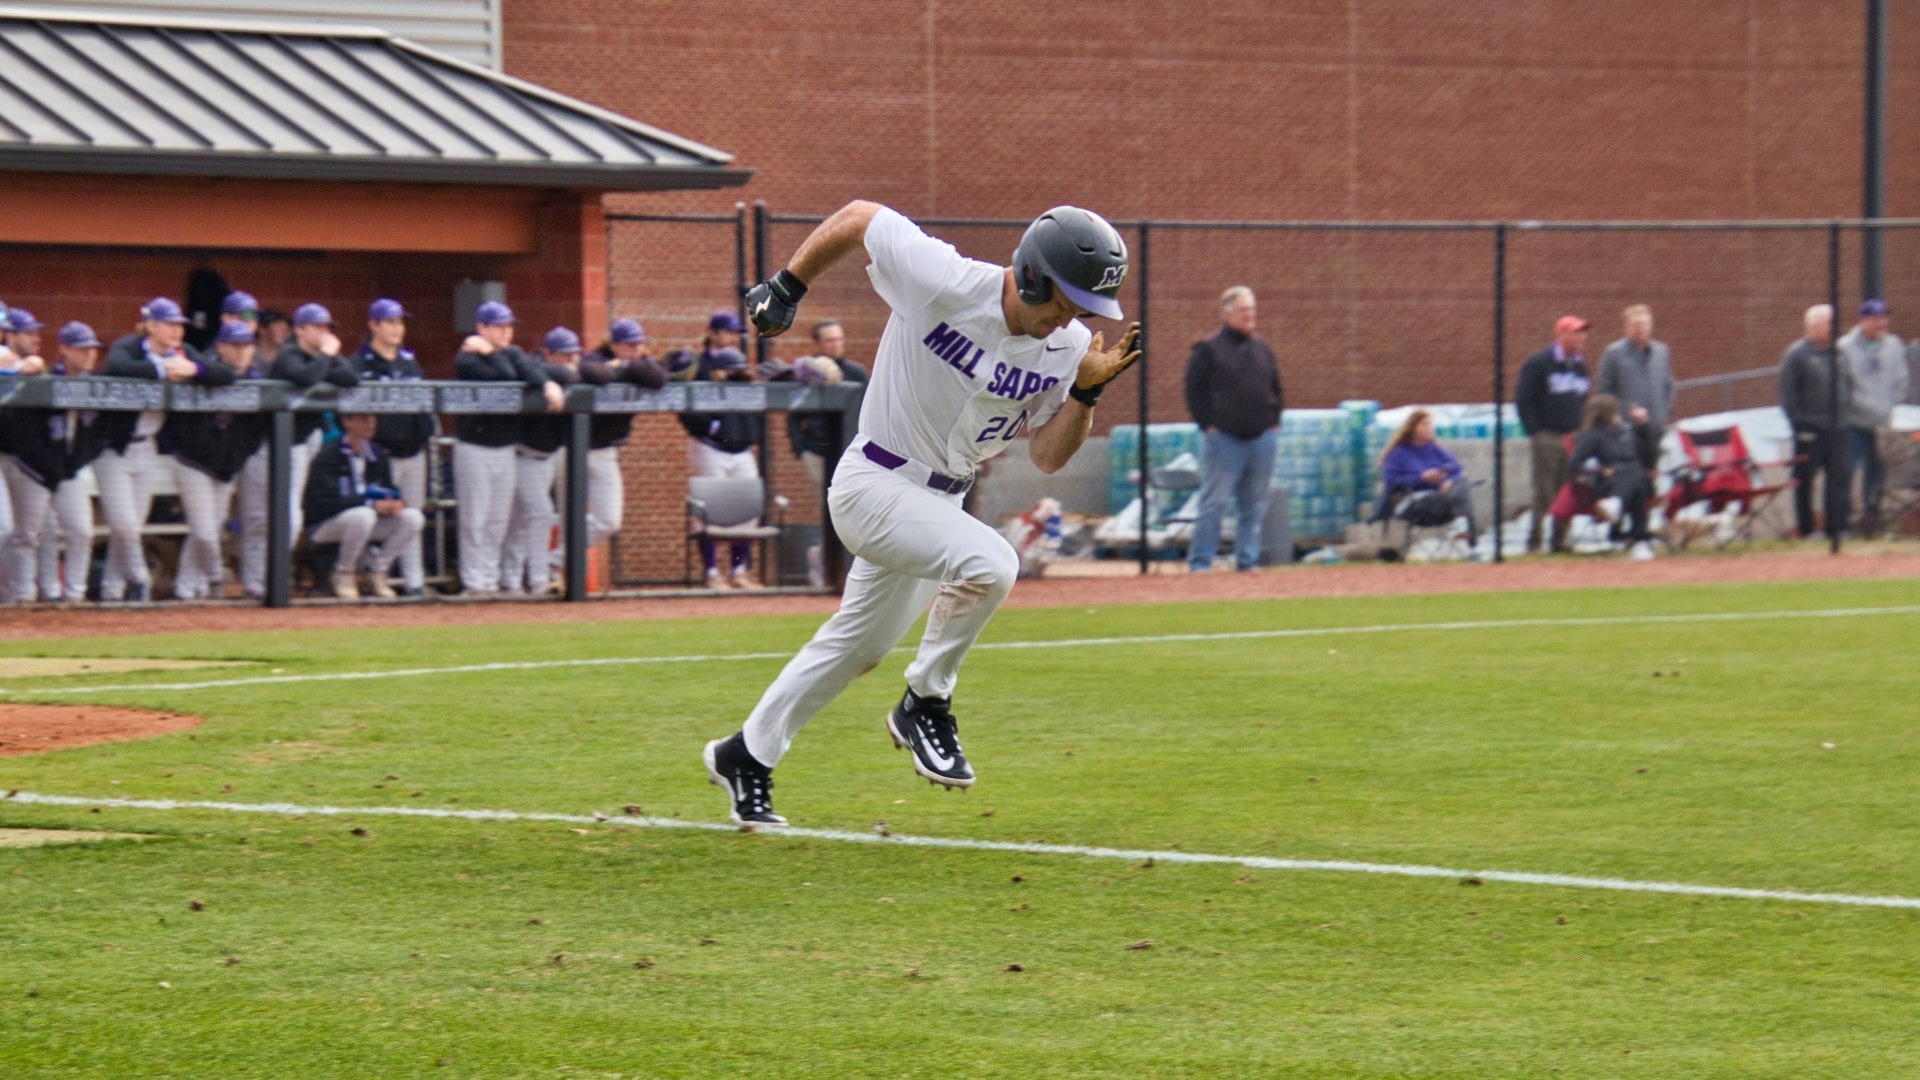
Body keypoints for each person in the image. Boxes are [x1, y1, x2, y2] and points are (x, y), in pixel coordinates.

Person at [702, 199, 1139, 827]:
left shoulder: (1066, 348)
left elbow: (1046, 456)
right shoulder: (946, 278)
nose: (1069, 320)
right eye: (1064, 302)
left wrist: (1085, 393)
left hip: (938, 502)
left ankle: (746, 755)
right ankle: (926, 703)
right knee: (993, 562)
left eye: (1083, 310)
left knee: (858, 646)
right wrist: (788, 284)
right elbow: (859, 217)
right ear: (1034, 276)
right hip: (873, 482)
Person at [102, 298, 234, 601]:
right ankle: (139, 583)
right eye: (170, 324)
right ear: (151, 325)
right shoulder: (130, 346)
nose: (177, 331)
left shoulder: (182, 352)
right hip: (114, 448)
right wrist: (162, 369)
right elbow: (118, 367)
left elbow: (224, 374)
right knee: (124, 527)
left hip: (146, 446)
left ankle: (112, 590)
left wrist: (194, 368)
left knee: (131, 526)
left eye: (179, 325)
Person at [452, 301, 565, 595]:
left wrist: (548, 385)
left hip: (505, 448)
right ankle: (475, 583)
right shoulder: (467, 357)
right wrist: (490, 353)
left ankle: (490, 580)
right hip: (474, 447)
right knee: (475, 520)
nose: (506, 331)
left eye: (508, 325)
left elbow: (529, 370)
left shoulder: (512, 353)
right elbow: (506, 378)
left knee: (498, 521)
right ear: (481, 328)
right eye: (499, 326)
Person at [0, 320, 107, 602]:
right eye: (82, 349)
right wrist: (48, 467)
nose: (89, 355)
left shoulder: (96, 386)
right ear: (64, 350)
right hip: (34, 469)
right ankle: (21, 594)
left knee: (81, 531)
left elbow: (102, 433)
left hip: (69, 469)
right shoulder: (42, 381)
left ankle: (74, 595)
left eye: (92, 349)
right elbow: (23, 433)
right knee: (26, 535)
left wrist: (74, 462)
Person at [1183, 286, 1282, 572]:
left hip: (1262, 436)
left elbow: (1275, 387)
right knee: (1214, 502)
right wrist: (1208, 426)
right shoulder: (1208, 349)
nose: (1250, 315)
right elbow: (1194, 390)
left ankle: (1247, 561)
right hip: (1224, 438)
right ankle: (1201, 563)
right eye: (1243, 310)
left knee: (1254, 504)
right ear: (1227, 313)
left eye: (1252, 310)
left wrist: (1275, 424)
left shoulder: (1263, 349)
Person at [164, 322, 263, 600]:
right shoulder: (199, 369)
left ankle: (187, 587)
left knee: (206, 531)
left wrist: (235, 458)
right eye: (236, 345)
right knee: (205, 532)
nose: (242, 351)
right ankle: (216, 578)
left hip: (226, 468)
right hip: (192, 462)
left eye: (247, 345)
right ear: (220, 346)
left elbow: (258, 431)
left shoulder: (258, 379)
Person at [350, 299, 434, 597]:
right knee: (373, 515)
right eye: (390, 322)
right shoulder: (359, 363)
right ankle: (365, 574)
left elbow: (424, 404)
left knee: (413, 517)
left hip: (412, 452)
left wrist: (425, 434)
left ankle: (414, 582)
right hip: (379, 453)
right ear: (373, 324)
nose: (397, 328)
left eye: (400, 322)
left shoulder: (408, 362)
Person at [304, 413, 425, 600]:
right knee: (364, 515)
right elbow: (320, 504)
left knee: (413, 517)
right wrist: (369, 504)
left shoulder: (377, 454)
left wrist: (394, 503)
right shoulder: (329, 455)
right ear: (347, 421)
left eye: (373, 418)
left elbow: (389, 489)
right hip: (326, 525)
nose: (371, 423)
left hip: (363, 522)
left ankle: (377, 570)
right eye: (363, 418)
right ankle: (344, 572)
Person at [500, 327, 582, 595]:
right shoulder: (533, 366)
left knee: (520, 522)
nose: (570, 361)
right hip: (523, 455)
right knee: (538, 514)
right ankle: (537, 581)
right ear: (547, 353)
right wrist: (562, 375)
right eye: (563, 355)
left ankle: (511, 582)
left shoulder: (561, 370)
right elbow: (549, 371)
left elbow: (578, 372)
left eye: (574, 355)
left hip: (549, 457)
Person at [679, 332, 765, 589]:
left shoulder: (748, 388)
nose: (737, 375)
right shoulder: (705, 383)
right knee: (708, 511)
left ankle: (738, 571)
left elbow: (758, 419)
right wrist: (712, 428)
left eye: (739, 370)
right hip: (710, 449)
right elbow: (687, 413)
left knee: (749, 509)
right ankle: (711, 572)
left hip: (741, 453)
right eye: (731, 371)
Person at [271, 304, 360, 541]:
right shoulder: (288, 353)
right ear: (299, 329)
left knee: (294, 508)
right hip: (278, 442)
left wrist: (323, 364)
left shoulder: (322, 356)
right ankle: (274, 575)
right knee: (285, 512)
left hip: (308, 437)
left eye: (327, 327)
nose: (325, 333)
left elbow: (351, 378)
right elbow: (306, 377)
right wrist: (326, 359)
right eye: (318, 327)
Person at [580, 318, 668, 550]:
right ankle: (552, 572)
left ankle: (556, 560)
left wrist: (626, 366)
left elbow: (659, 378)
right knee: (567, 517)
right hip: (574, 448)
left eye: (639, 344)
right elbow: (598, 374)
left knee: (609, 521)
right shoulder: (595, 358)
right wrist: (621, 368)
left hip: (605, 451)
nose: (636, 349)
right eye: (630, 345)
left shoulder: (638, 362)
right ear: (614, 345)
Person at [1515, 315, 1593, 552]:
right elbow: (1524, 399)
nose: (1582, 337)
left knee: (1568, 488)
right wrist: (1535, 431)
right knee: (1545, 490)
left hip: (1572, 436)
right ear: (1561, 335)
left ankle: (1560, 540)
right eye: (1576, 332)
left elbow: (1584, 402)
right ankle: (1535, 541)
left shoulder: (1580, 367)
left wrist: (1581, 431)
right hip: (1547, 435)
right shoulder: (1540, 363)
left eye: (1583, 332)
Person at [1838, 299, 1908, 536]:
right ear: (1862, 320)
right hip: (1854, 424)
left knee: (1876, 475)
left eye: (1884, 317)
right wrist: (1870, 409)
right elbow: (1844, 389)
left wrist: (1888, 408)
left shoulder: (1894, 345)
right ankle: (1844, 523)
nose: (1881, 323)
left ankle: (1871, 523)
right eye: (1875, 318)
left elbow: (1902, 382)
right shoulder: (1845, 347)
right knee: (1847, 471)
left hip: (1883, 425)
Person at [1779, 304, 1848, 540]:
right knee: (1805, 480)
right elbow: (1787, 394)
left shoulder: (1838, 353)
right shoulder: (1796, 355)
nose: (1833, 328)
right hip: (1808, 430)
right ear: (1813, 326)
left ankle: (1835, 528)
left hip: (1836, 428)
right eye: (1828, 323)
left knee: (1837, 479)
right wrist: (1799, 424)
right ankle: (1807, 529)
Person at [1568, 394, 1654, 560]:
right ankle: (1640, 542)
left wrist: (1643, 426)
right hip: (1606, 484)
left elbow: (1649, 457)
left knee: (1635, 472)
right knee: (1635, 475)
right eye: (1615, 412)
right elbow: (1574, 463)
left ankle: (1616, 504)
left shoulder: (1626, 431)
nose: (1618, 416)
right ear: (1606, 414)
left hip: (1632, 480)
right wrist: (1598, 469)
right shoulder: (1593, 435)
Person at [789, 319, 872, 486]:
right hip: (816, 450)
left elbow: (870, 410)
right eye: (830, 340)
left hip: (850, 451)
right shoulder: (807, 373)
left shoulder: (857, 373)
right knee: (825, 502)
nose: (836, 344)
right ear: (818, 343)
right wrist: (801, 448)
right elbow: (794, 413)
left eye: (839, 339)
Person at [1596, 304, 1673, 472]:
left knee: (1656, 476)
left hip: (1655, 428)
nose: (1641, 329)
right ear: (1626, 328)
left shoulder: (1661, 352)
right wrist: (1615, 420)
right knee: (1632, 477)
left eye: (1645, 324)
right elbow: (1604, 393)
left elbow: (1668, 386)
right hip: (1627, 432)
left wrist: (1663, 413)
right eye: (1636, 325)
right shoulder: (1613, 354)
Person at [1378, 408, 1475, 538]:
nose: (1429, 428)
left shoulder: (1433, 448)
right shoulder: (1397, 453)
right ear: (1413, 427)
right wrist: (1421, 478)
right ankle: (1471, 545)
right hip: (1416, 502)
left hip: (1444, 499)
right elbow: (1391, 481)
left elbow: (1455, 467)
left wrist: (1448, 482)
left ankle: (1460, 527)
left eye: (1430, 425)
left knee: (1462, 482)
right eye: (1424, 424)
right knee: (1462, 500)